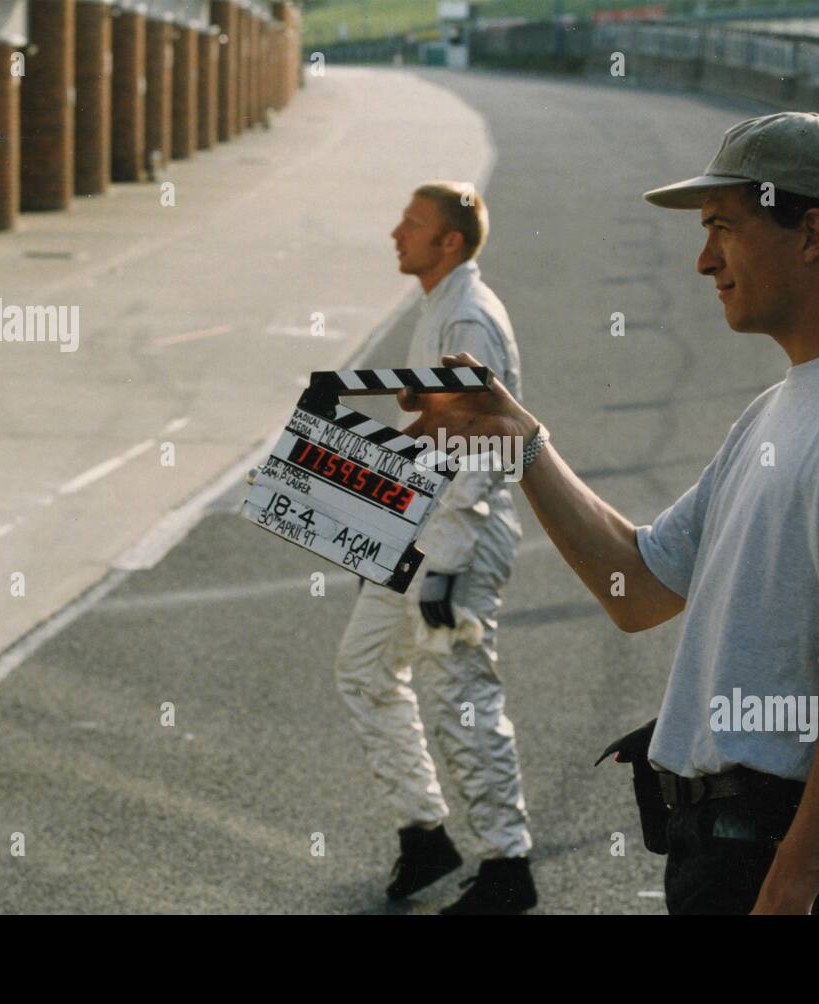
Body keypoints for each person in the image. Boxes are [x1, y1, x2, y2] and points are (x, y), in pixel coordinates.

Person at [397, 113, 819, 915]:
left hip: (782, 866)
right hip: (726, 856)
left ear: (809, 233)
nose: (704, 261)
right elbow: (636, 587)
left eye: (724, 229)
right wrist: (520, 444)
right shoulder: (782, 409)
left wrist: (788, 892)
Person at [334, 181, 537, 915]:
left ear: (448, 242)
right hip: (419, 533)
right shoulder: (439, 308)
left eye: (411, 225)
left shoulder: (471, 321)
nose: (396, 233)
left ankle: (508, 867)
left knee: (461, 694)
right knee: (363, 669)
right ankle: (425, 833)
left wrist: (444, 565)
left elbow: (481, 450)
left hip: (460, 542)